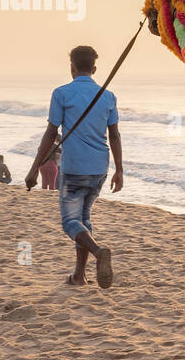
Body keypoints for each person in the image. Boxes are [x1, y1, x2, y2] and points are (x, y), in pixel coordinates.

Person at [25, 45, 123, 289]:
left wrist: (34, 169)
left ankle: (99, 252)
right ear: (94, 68)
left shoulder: (62, 93)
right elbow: (115, 136)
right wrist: (119, 170)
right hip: (100, 167)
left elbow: (51, 133)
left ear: (72, 67)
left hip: (75, 167)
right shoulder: (107, 96)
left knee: (70, 222)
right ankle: (79, 276)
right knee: (84, 219)